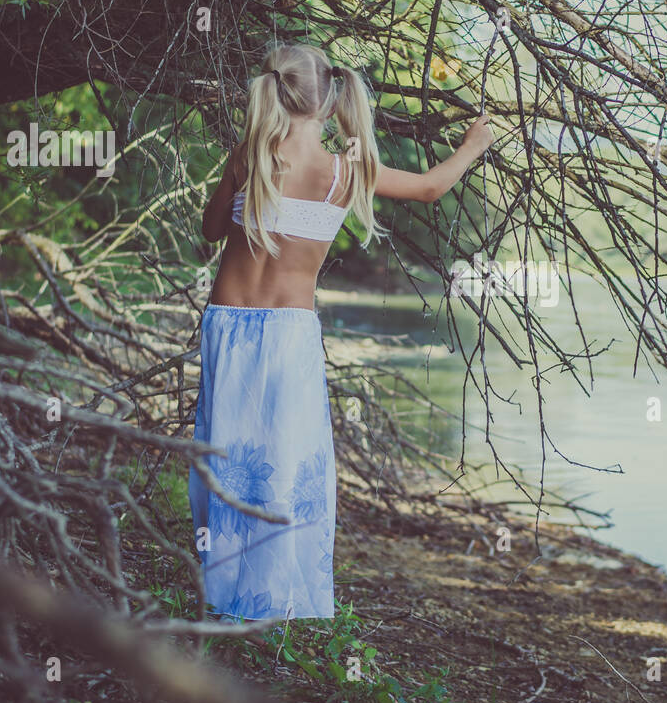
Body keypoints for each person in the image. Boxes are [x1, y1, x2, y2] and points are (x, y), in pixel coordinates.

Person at [190, 41, 497, 620]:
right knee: (285, 457)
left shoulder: (247, 157)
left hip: (227, 324)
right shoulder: (343, 172)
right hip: (289, 334)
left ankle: (224, 590)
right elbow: (431, 188)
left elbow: (210, 230)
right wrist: (472, 147)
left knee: (223, 453)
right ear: (330, 104)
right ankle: (272, 594)